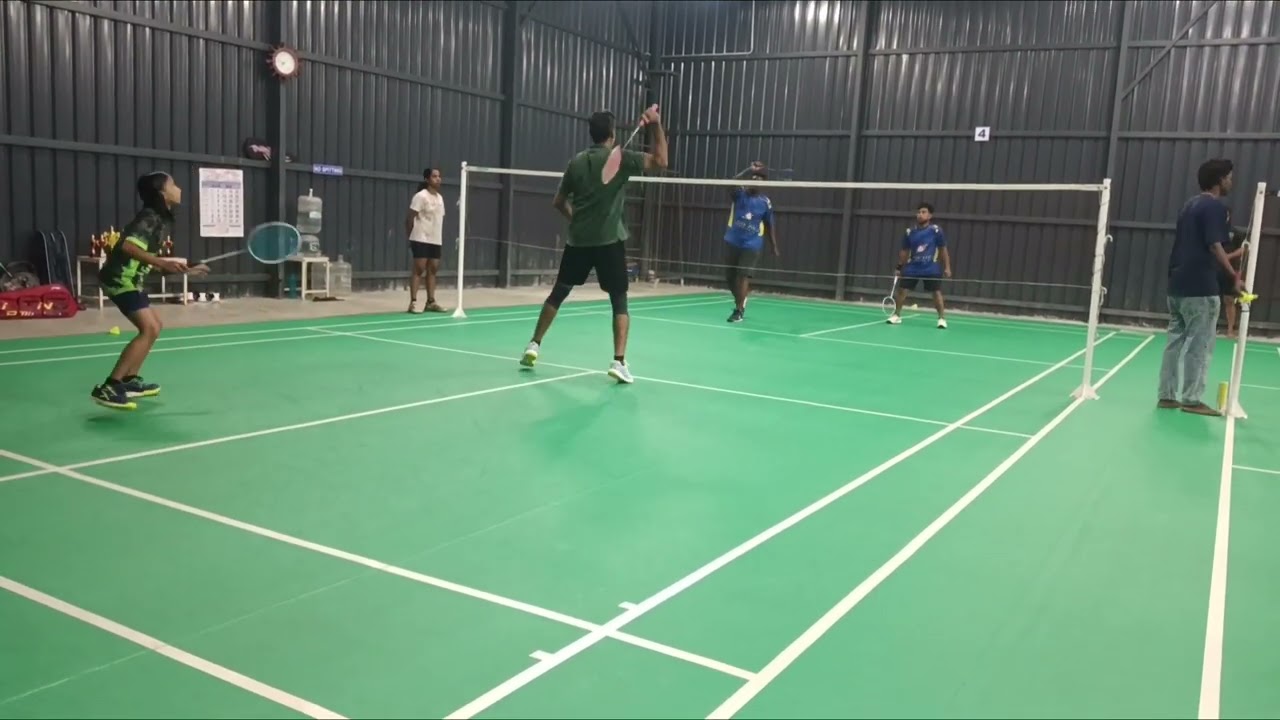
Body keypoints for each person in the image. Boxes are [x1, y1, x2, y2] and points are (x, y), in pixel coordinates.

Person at [519, 107, 668, 383]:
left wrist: (577, 219)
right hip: (609, 241)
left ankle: (534, 344)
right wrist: (656, 124)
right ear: (612, 134)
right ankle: (619, 361)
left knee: (558, 294)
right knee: (619, 300)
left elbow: (558, 202)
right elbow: (661, 160)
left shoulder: (576, 162)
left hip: (578, 241)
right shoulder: (621, 159)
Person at [91, 171, 207, 410]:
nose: (179, 188)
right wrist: (162, 263)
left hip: (131, 279)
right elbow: (128, 246)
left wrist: (182, 268)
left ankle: (129, 381)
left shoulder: (160, 219)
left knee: (155, 326)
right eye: (173, 184)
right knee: (149, 327)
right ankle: (110, 386)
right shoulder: (150, 217)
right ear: (162, 193)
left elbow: (145, 258)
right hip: (119, 279)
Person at [1158, 158, 1243, 415]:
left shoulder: (1188, 206)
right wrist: (1233, 277)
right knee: (1200, 343)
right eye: (1228, 177)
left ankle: (1166, 396)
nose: (1231, 181)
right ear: (1219, 181)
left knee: (1175, 341)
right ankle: (1192, 399)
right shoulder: (1215, 207)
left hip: (1176, 286)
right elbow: (1215, 245)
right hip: (1200, 288)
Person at [723, 161, 780, 323]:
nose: (754, 180)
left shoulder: (765, 202)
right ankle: (740, 300)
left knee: (743, 275)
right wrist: (748, 169)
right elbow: (730, 183)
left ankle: (739, 310)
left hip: (752, 244)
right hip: (732, 241)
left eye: (758, 179)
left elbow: (769, 224)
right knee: (729, 277)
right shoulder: (739, 194)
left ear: (763, 184)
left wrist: (773, 245)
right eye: (752, 178)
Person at [886, 202, 951, 329]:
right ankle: (896, 315)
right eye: (919, 212)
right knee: (902, 291)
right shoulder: (910, 232)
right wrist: (899, 267)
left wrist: (947, 267)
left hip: (930, 267)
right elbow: (904, 251)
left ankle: (942, 319)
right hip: (913, 267)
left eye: (923, 212)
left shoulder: (936, 231)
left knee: (936, 292)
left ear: (930, 215)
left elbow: (943, 249)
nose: (920, 215)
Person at [406, 167, 446, 313]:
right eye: (435, 176)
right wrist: (411, 237)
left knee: (433, 269)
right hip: (420, 237)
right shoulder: (420, 196)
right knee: (419, 270)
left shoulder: (440, 198)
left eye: (439, 176)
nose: (438, 179)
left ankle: (430, 302)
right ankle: (413, 302)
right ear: (427, 179)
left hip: (435, 239)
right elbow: (410, 218)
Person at [1218, 209, 1248, 338]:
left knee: (1229, 299)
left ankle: (1230, 330)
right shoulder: (1212, 231)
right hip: (1213, 269)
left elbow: (1244, 249)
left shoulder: (1236, 232)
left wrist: (1228, 256)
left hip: (1230, 269)